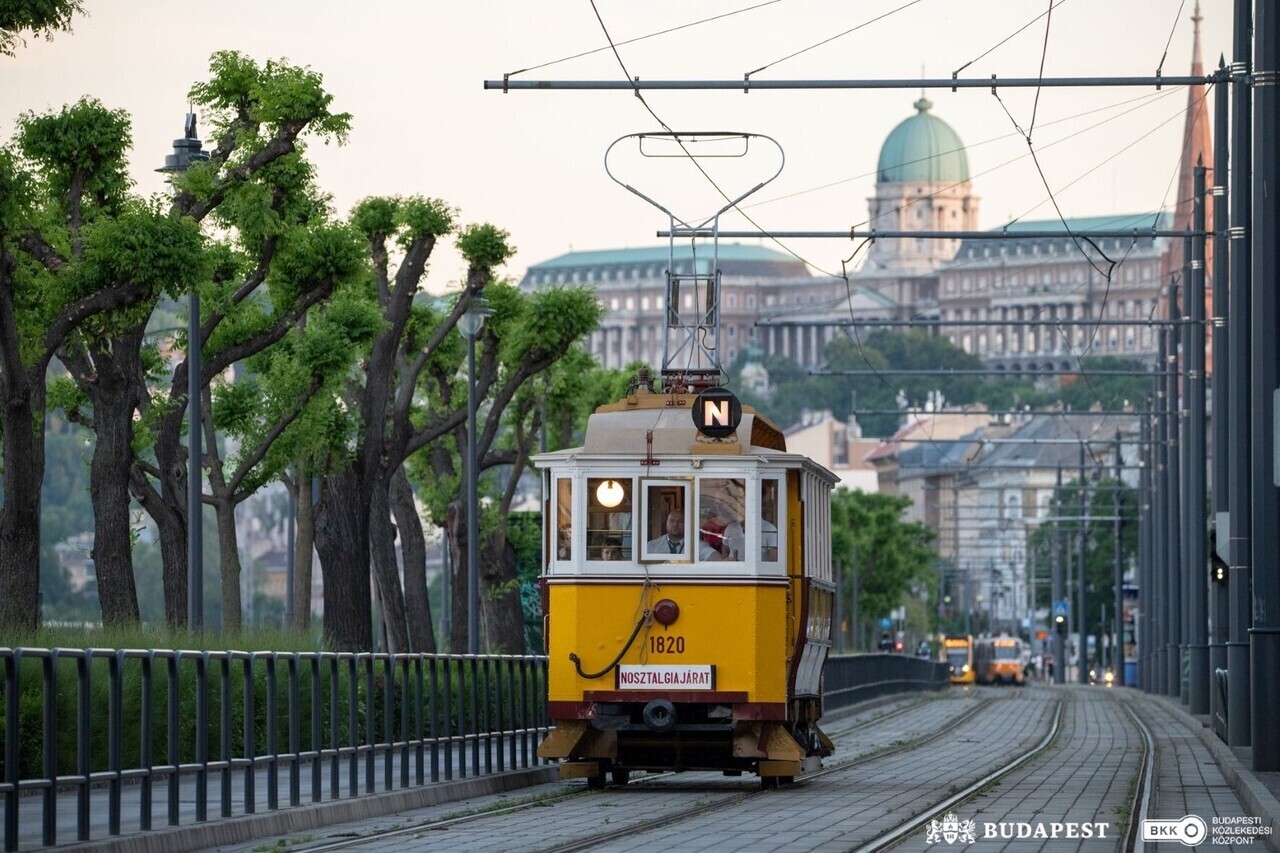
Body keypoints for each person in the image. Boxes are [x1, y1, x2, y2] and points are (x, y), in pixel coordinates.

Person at [647, 510, 718, 560]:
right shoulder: (652, 546)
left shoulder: (697, 545)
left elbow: (715, 558)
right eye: (672, 521)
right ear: (666, 523)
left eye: (680, 521)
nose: (675, 524)